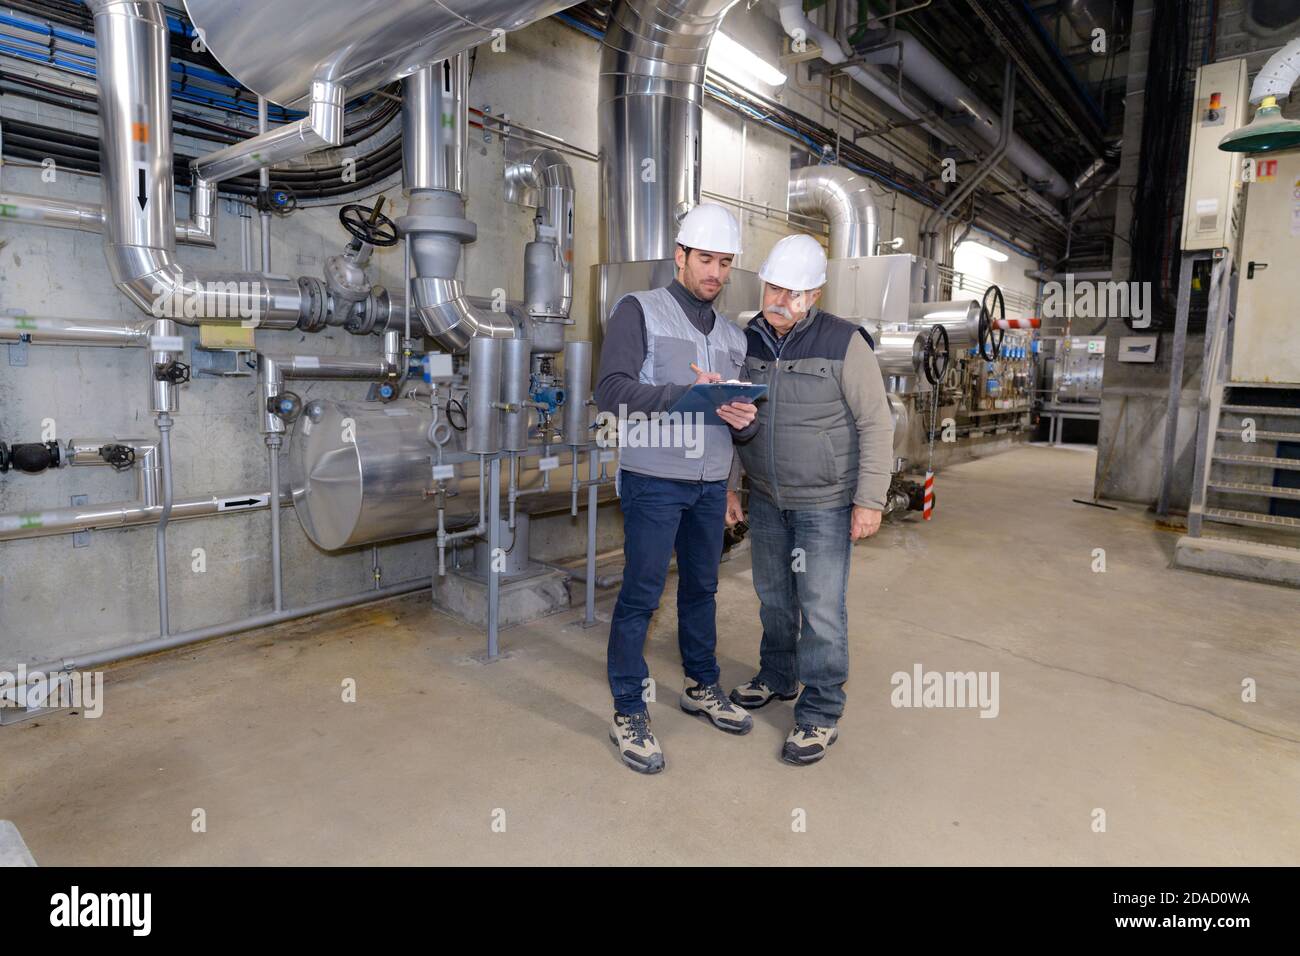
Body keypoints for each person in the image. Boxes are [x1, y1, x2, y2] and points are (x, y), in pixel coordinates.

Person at [594, 204, 759, 774]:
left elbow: (742, 420)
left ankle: (701, 684)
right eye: (706, 259)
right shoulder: (638, 311)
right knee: (641, 595)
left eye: (725, 262)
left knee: (702, 590)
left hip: (712, 484)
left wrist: (744, 428)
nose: (715, 272)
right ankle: (627, 710)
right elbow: (610, 390)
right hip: (653, 480)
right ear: (681, 257)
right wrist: (680, 395)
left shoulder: (735, 336)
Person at [727, 233, 894, 766]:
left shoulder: (846, 343)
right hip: (767, 497)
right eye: (774, 288)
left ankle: (821, 710)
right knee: (774, 598)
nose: (780, 300)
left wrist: (871, 499)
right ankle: (778, 676)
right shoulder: (745, 340)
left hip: (825, 502)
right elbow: (732, 415)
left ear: (815, 294)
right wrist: (734, 485)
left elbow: (877, 424)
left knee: (821, 608)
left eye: (794, 293)